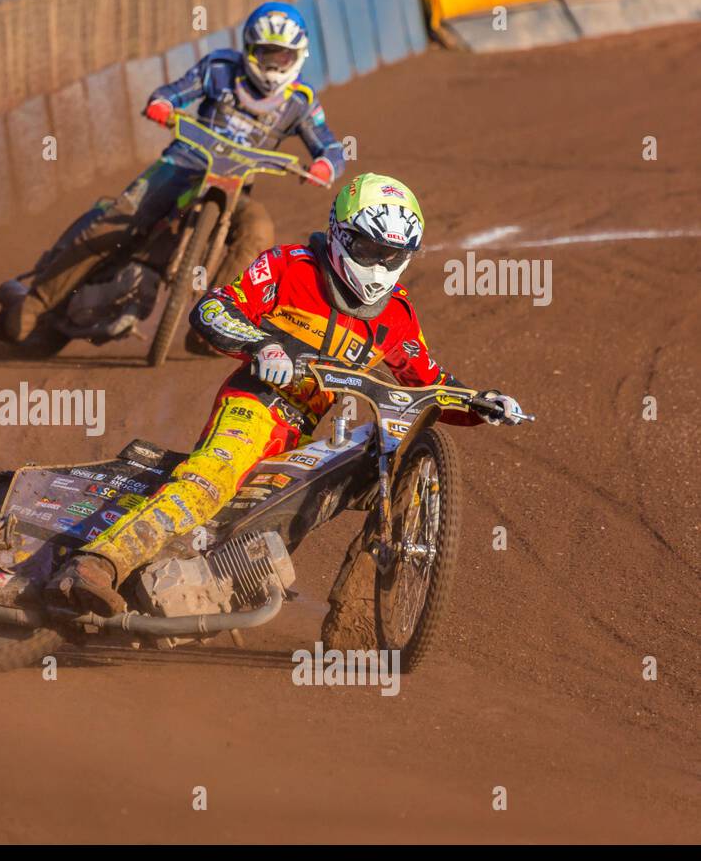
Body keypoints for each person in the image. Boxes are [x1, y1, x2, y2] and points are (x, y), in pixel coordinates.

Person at [46, 173, 526, 615]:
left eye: (392, 255)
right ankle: (97, 564)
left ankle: (188, 595)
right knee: (213, 477)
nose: (379, 266)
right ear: (339, 235)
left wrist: (483, 402)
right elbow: (213, 308)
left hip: (304, 437)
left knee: (270, 529)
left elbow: (429, 383)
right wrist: (261, 343)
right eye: (368, 248)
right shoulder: (289, 267)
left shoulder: (395, 315)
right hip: (255, 404)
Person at [0, 1, 345, 349]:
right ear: (249, 49)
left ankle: (220, 326)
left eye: (281, 56)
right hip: (181, 166)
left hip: (234, 189)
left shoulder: (301, 101)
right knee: (116, 221)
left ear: (298, 56)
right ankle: (33, 308)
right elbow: (174, 92)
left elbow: (329, 146)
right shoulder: (220, 67)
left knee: (259, 231)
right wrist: (163, 105)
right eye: (265, 53)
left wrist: (324, 165)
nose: (272, 65)